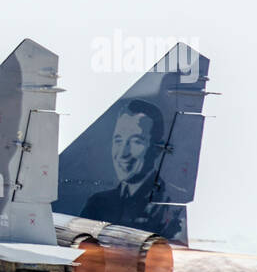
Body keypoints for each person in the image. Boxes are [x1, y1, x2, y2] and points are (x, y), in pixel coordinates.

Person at [79, 99, 185, 240]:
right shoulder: (98, 203)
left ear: (157, 149)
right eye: (118, 140)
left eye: (136, 141)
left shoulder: (173, 203)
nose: (123, 153)